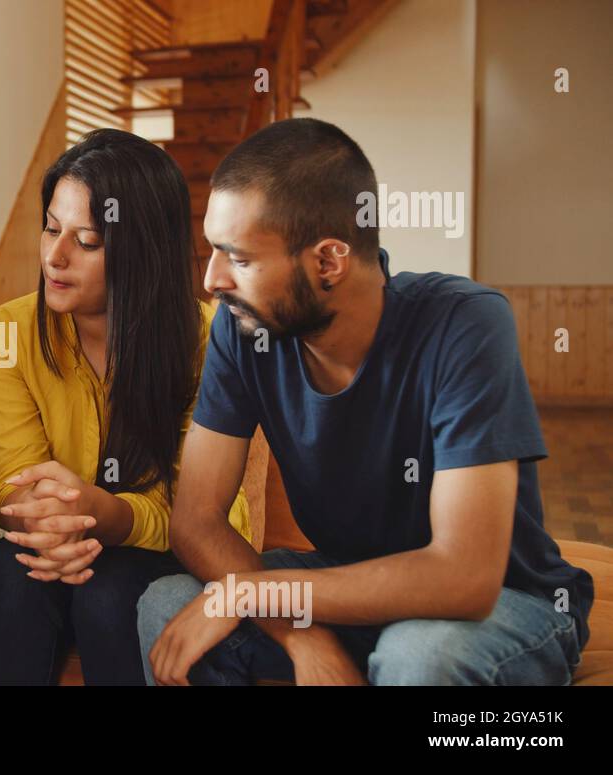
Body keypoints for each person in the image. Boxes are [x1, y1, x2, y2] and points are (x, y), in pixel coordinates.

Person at [138, 117, 592, 686]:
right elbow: (197, 522)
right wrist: (302, 634)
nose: (211, 280)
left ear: (328, 261)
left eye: (240, 258)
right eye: (212, 251)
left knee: (420, 654)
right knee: (167, 605)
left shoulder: (466, 323)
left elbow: (465, 577)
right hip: (347, 580)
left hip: (503, 600)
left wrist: (254, 591)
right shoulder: (243, 327)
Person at [0, 129, 251, 685]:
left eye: (87, 241)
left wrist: (108, 515)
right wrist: (46, 517)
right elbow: (10, 488)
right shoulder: (6, 333)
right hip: (48, 549)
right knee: (10, 570)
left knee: (109, 587)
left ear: (140, 248)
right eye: (50, 228)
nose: (55, 256)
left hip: (158, 549)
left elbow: (212, 516)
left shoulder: (208, 341)